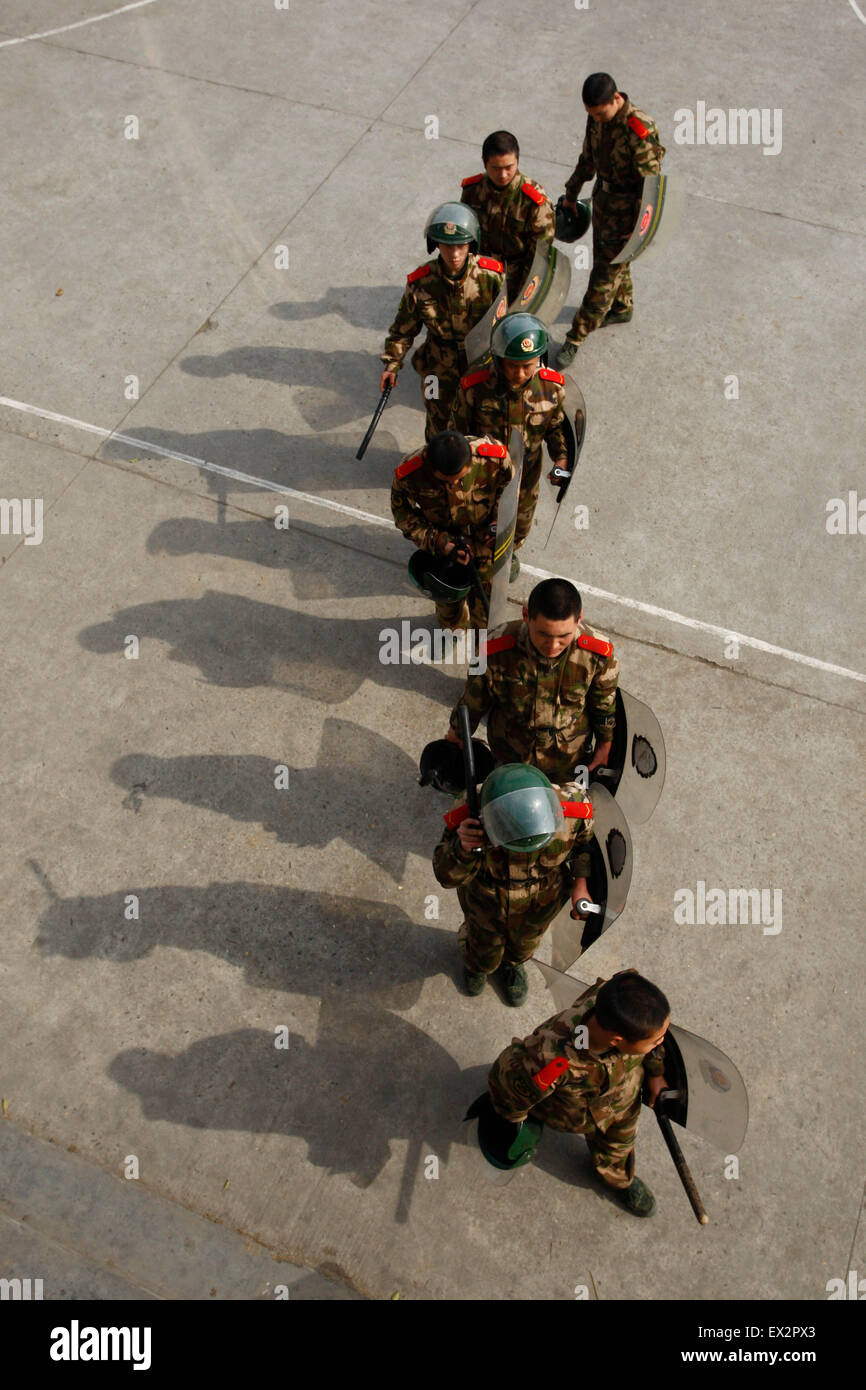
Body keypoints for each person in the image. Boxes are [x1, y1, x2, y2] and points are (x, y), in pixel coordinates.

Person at [485, 968, 669, 1216]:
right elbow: (511, 1087)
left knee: (618, 1148)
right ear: (616, 1040)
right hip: (574, 1114)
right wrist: (514, 1124)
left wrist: (656, 1073)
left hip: (623, 1104)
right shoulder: (552, 1059)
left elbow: (655, 1040)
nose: (660, 1043)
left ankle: (618, 1177)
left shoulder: (617, 999)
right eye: (654, 1042)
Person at [432, 763, 595, 1005]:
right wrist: (462, 848)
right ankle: (477, 966)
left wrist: (581, 883)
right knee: (482, 948)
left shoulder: (574, 807)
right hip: (486, 902)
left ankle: (512, 965)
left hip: (541, 901)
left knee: (525, 946)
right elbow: (446, 877)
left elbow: (585, 846)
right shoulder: (469, 810)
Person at [445, 578, 618, 783]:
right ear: (526, 615)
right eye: (543, 634)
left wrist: (604, 745)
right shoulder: (493, 649)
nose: (553, 646)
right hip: (511, 753)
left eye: (563, 636)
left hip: (568, 758)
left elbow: (604, 704)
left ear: (579, 618)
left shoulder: (597, 654)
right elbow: (474, 698)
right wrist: (457, 733)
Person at [556, 73, 665, 367]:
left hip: (628, 216)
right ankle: (622, 306)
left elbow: (651, 188)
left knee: (603, 276)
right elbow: (588, 159)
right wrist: (571, 192)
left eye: (601, 114)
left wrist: (639, 231)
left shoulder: (639, 130)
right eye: (593, 115)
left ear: (617, 99)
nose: (598, 120)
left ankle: (576, 336)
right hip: (604, 204)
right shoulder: (597, 118)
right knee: (613, 265)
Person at [449, 312, 568, 574]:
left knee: (520, 523)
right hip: (484, 475)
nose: (521, 373)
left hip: (526, 476)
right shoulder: (474, 387)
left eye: (529, 364)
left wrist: (561, 458)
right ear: (499, 359)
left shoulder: (552, 388)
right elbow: (456, 435)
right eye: (513, 365)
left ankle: (509, 552)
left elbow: (556, 426)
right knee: (481, 522)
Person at [380, 204, 505, 439]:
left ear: (472, 244)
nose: (454, 254)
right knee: (437, 419)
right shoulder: (420, 282)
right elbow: (403, 329)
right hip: (437, 367)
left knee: (483, 421)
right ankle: (437, 465)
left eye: (460, 245)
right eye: (447, 245)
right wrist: (391, 364)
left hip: (480, 363)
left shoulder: (492, 277)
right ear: (436, 244)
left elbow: (506, 324)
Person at [391, 430, 514, 629]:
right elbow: (403, 515)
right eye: (446, 481)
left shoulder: (493, 457)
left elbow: (510, 491)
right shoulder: (409, 473)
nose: (454, 484)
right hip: (444, 546)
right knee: (448, 607)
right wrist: (440, 543)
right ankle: (454, 630)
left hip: (485, 540)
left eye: (460, 478)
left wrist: (497, 523)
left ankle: (482, 642)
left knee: (488, 610)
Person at [459, 130, 555, 303]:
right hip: (480, 272)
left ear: (517, 161)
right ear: (484, 162)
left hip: (516, 279)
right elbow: (464, 236)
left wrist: (524, 296)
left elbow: (539, 257)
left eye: (509, 167)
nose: (503, 175)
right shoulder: (472, 190)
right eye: (495, 168)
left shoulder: (535, 202)